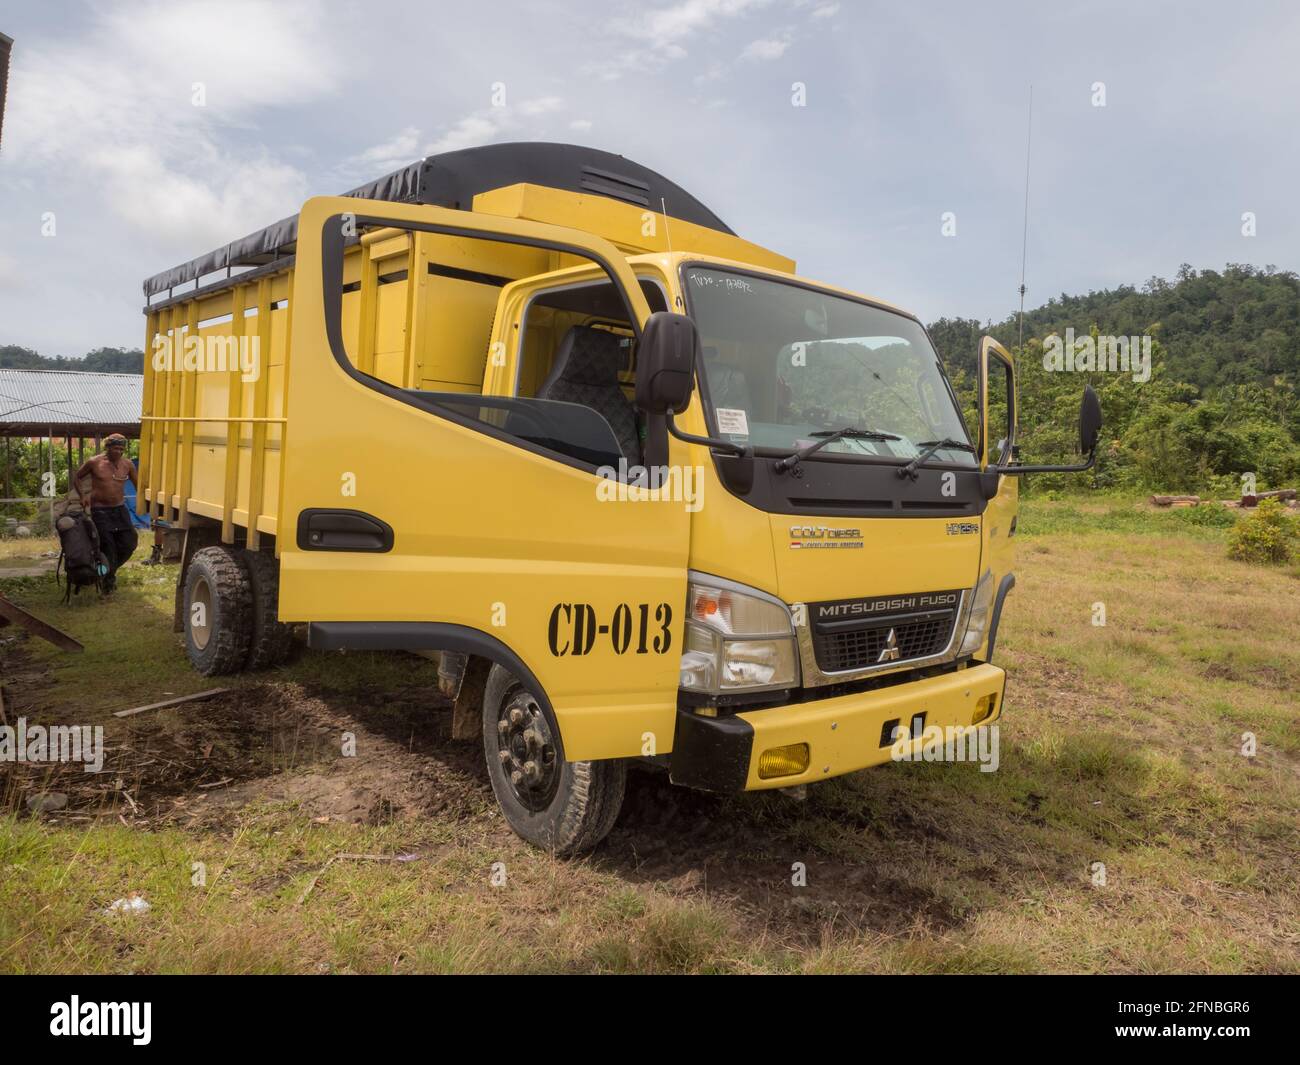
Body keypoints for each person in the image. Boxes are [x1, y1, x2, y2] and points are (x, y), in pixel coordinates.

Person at [75, 434, 139, 593]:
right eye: (116, 448)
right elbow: (77, 477)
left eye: (122, 449)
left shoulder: (128, 465)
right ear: (108, 447)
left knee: (129, 542)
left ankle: (107, 569)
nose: (119, 452)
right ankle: (108, 585)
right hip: (100, 510)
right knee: (108, 546)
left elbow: (139, 485)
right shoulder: (94, 462)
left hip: (119, 509)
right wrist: (82, 496)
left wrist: (147, 503)